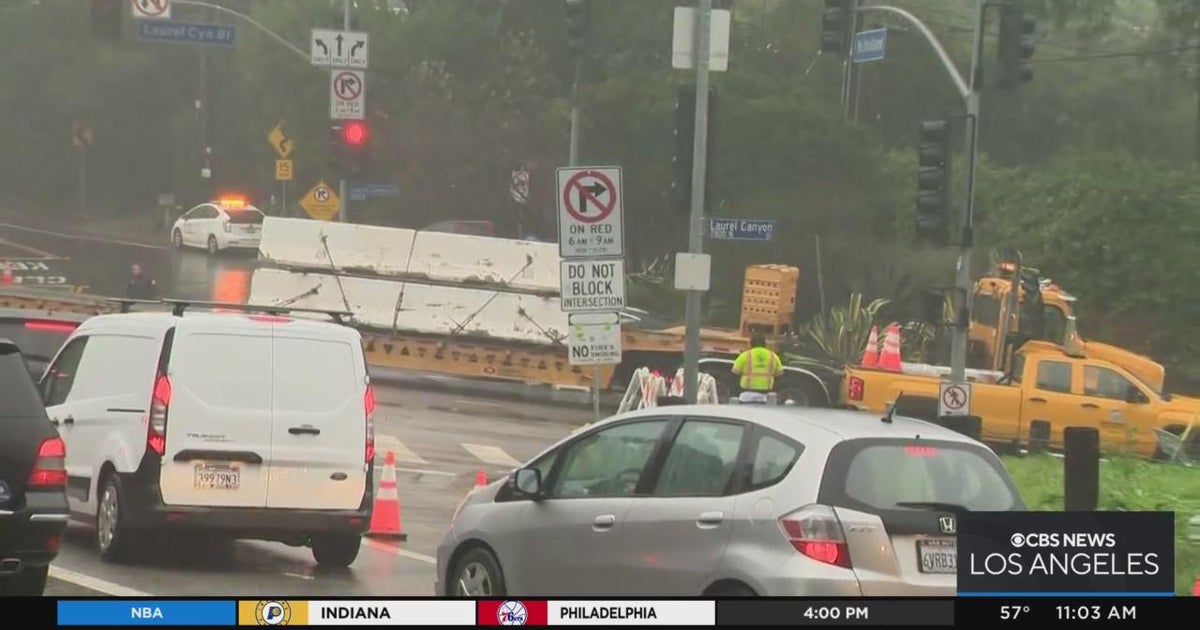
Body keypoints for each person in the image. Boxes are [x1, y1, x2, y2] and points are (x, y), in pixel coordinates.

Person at [731, 333, 783, 403]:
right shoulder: (773, 356)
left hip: (747, 395)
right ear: (764, 343)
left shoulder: (745, 355)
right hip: (766, 396)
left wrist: (736, 392)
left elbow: (734, 373)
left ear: (751, 343)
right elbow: (779, 375)